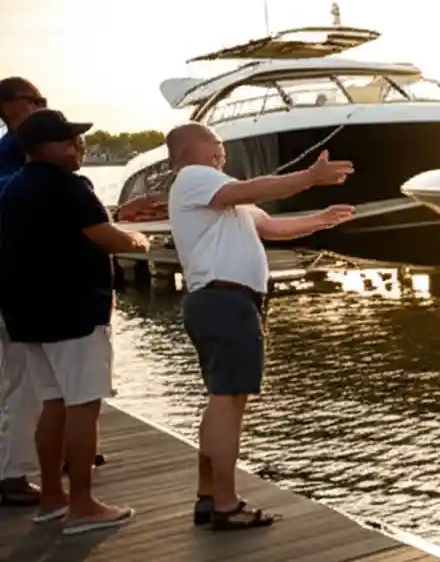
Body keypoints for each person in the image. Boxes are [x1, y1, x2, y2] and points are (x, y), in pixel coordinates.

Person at [165, 122, 354, 530]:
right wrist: (309, 178)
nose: (223, 153)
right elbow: (251, 189)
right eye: (217, 145)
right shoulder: (195, 178)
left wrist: (321, 220)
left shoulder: (220, 197)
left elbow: (272, 227)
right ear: (195, 147)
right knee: (228, 400)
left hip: (225, 302)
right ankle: (226, 504)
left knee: (223, 399)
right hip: (224, 300)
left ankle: (208, 495)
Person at [0, 109, 150, 533]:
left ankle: (52, 497)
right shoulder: (70, 186)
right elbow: (104, 236)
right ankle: (83, 504)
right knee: (84, 406)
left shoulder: (13, 190)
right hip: (75, 315)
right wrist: (138, 238)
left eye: (78, 139)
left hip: (29, 317)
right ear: (41, 147)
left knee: (52, 405)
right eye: (68, 140)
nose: (77, 146)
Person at [0, 76, 45, 506]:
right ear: (13, 105)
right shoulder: (16, 156)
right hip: (13, 285)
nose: (41, 107)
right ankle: (11, 475)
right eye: (36, 101)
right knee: (22, 378)